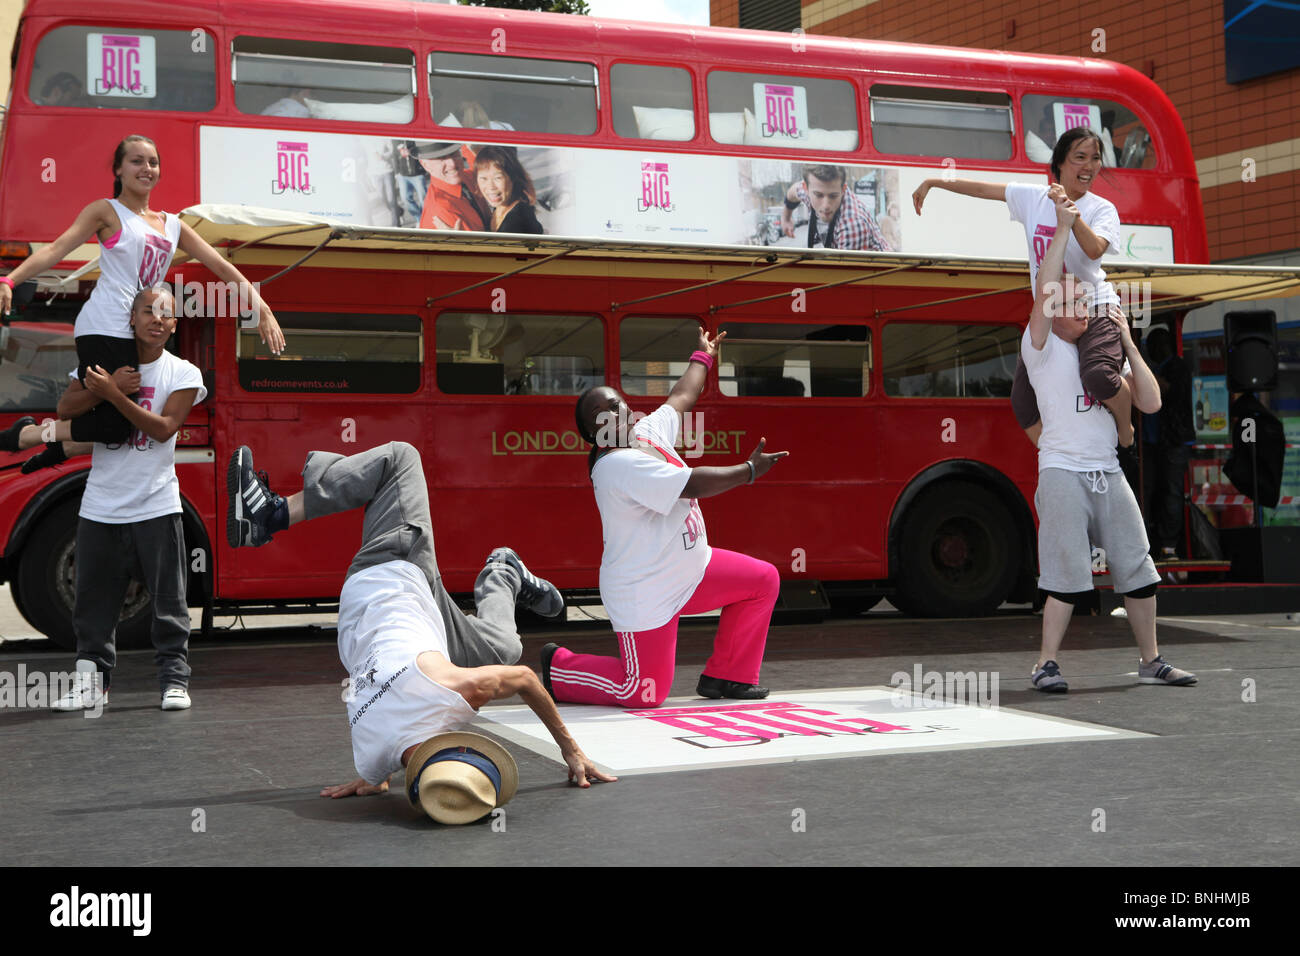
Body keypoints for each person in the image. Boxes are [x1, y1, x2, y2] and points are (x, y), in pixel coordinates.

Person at [225, 439, 616, 800]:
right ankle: (505, 571)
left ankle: (270, 515)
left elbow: (528, 681)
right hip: (398, 623)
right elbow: (386, 756)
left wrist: (572, 750)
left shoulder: (456, 689)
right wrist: (376, 778)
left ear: (456, 748)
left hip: (391, 573)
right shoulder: (371, 758)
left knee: (399, 458)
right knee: (503, 649)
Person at [0, 134, 285, 469]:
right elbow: (55, 249)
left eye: (152, 162)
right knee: (119, 424)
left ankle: (63, 447)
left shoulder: (173, 224)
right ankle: (31, 436)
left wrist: (261, 308)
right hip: (106, 321)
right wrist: (9, 279)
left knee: (133, 418)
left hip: (143, 325)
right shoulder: (106, 211)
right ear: (118, 169)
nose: (146, 168)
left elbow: (220, 265)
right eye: (136, 161)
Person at [546, 329, 788, 707]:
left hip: (692, 571)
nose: (614, 412)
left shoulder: (646, 432)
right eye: (600, 413)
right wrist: (748, 470)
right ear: (592, 434)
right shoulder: (615, 466)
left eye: (617, 403)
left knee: (762, 580)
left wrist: (702, 356)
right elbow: (693, 482)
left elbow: (681, 396)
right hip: (646, 590)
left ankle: (728, 677)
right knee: (643, 692)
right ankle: (558, 667)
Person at [1021, 191, 1195, 693]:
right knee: (1065, 575)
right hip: (1061, 470)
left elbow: (1153, 403)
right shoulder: (1039, 347)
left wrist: (1128, 342)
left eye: (1086, 301)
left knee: (1137, 565)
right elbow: (1048, 283)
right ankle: (1045, 665)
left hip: (1106, 470)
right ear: (1052, 306)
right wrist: (1063, 226)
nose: (1082, 308)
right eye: (1071, 301)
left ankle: (1152, 659)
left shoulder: (1103, 347)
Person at [912, 127, 1133, 446]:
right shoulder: (1033, 198)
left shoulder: (1101, 209)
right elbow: (983, 190)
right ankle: (1057, 455)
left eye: (1095, 159)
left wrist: (1070, 214)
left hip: (1094, 308)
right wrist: (933, 182)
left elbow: (1095, 249)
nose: (1089, 166)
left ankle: (1125, 429)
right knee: (1023, 402)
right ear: (1059, 162)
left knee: (1098, 377)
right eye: (1079, 158)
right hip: (1050, 315)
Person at [49, 286, 206, 712]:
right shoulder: (101, 363)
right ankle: (90, 684)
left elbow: (163, 429)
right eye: (148, 311)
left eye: (165, 313)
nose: (157, 319)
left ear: (174, 325)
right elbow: (65, 408)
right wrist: (106, 385)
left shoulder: (184, 373)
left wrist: (115, 395)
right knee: (92, 604)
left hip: (157, 504)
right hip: (100, 505)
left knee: (168, 600)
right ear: (131, 319)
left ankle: (174, 681)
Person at [1141, 326, 1195, 559]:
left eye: (1155, 345)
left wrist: (1140, 369)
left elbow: (1169, 391)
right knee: (1147, 491)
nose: (1151, 350)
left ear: (1166, 347)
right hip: (1150, 443)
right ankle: (1146, 541)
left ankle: (1170, 545)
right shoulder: (1156, 368)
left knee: (1172, 491)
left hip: (1172, 441)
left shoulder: (1177, 367)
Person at [780, 165, 890, 251]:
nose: (826, 205)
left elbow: (845, 275)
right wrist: (786, 218)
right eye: (819, 195)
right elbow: (792, 193)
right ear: (806, 188)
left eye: (833, 196)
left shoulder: (851, 225)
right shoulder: (807, 189)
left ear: (843, 189)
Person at [417, 142, 488, 231]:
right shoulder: (442, 208)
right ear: (425, 165)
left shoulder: (466, 177)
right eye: (441, 158)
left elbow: (478, 168)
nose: (452, 164)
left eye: (454, 154)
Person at [474, 145, 544, 235]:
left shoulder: (515, 222)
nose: (490, 186)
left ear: (513, 178)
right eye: (483, 178)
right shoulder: (500, 206)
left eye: (497, 178)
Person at [392, 140, 430, 225]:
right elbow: (394, 154)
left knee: (424, 199)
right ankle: (419, 219)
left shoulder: (414, 136)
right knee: (405, 199)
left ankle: (424, 220)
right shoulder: (395, 139)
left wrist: (412, 151)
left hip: (417, 174)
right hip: (403, 175)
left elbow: (423, 150)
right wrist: (397, 172)